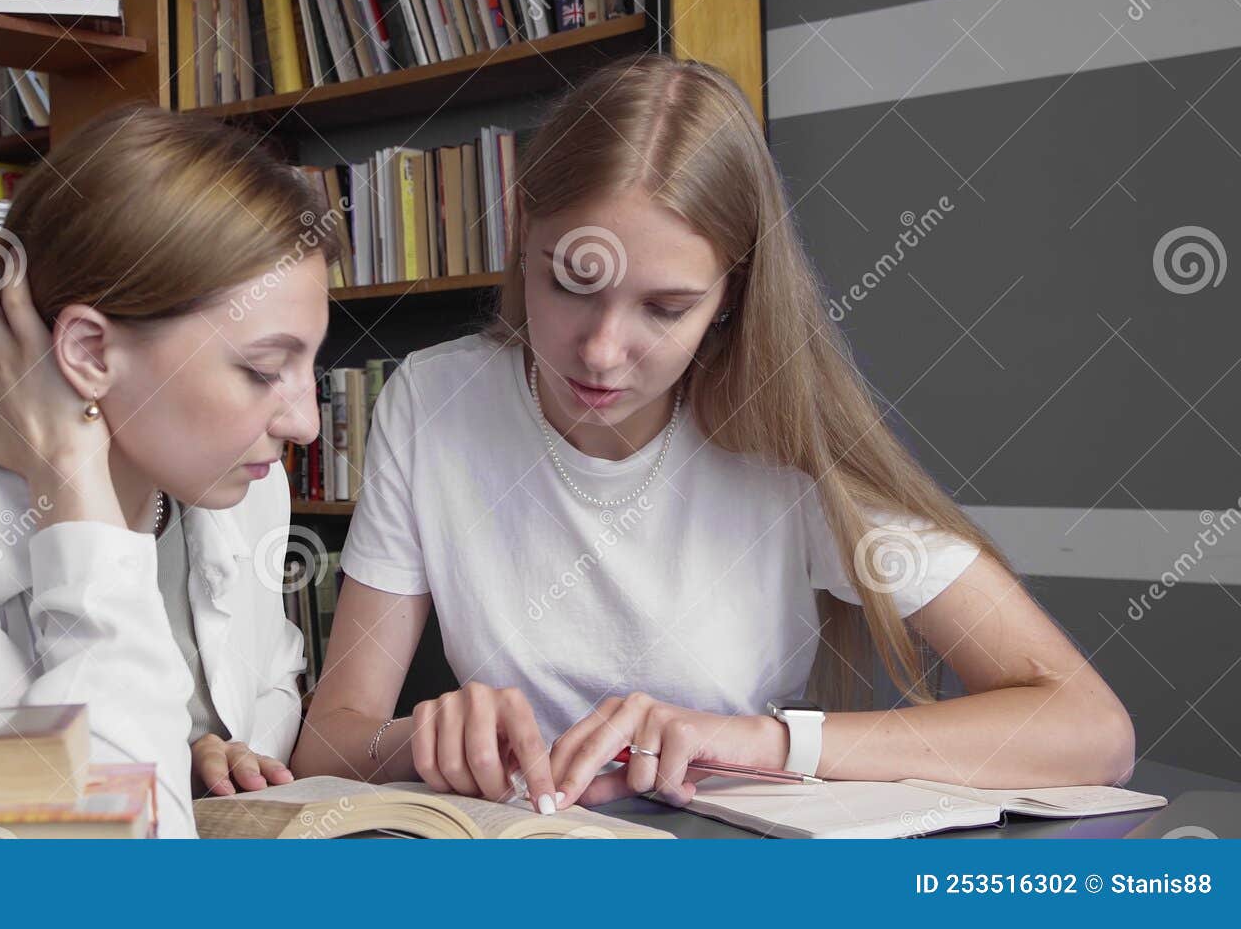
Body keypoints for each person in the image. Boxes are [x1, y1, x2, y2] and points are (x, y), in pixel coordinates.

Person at [292, 54, 1136, 815]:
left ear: (730, 293)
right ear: (524, 242)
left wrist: (766, 743)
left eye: (665, 308)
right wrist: (425, 739)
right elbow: (328, 740)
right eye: (571, 281)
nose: (601, 351)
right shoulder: (434, 399)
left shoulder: (783, 438)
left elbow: (1090, 728)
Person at [0, 105, 334, 837]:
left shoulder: (243, 488)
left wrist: (186, 749)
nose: (306, 424)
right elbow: (90, 845)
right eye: (264, 369)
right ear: (92, 354)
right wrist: (68, 470)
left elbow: (271, 682)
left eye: (309, 366)